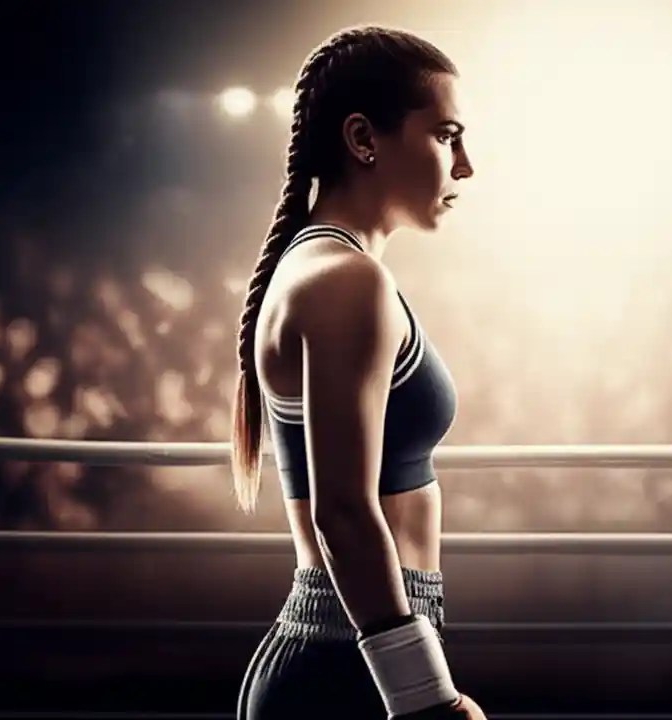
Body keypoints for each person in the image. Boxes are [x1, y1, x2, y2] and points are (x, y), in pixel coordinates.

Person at [226, 25, 483, 720]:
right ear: (364, 139)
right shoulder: (346, 281)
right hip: (349, 668)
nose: (465, 166)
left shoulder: (327, 267)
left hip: (353, 650)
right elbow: (343, 509)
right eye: (445, 136)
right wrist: (424, 695)